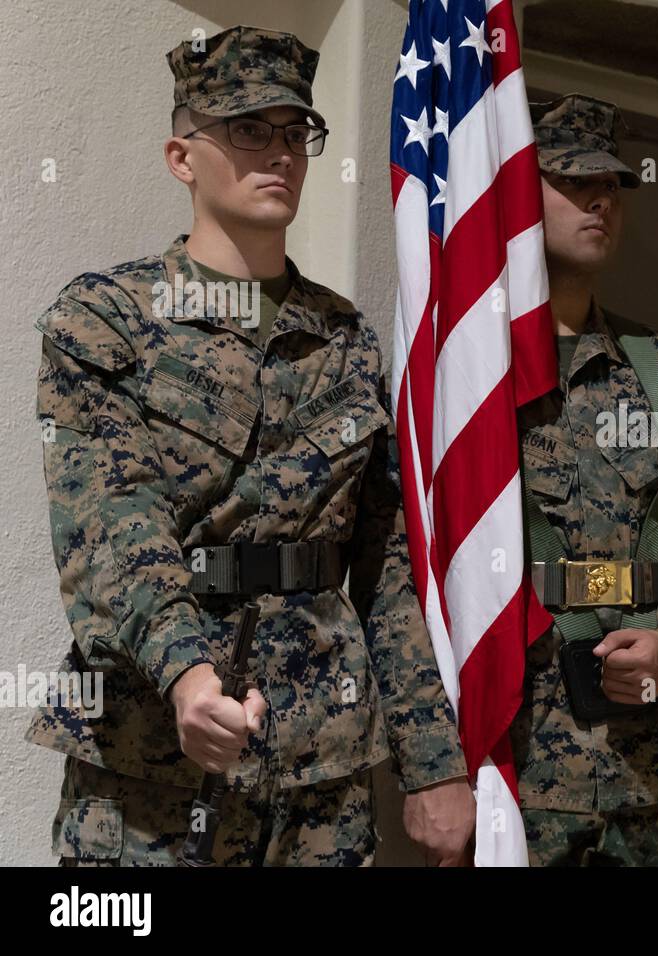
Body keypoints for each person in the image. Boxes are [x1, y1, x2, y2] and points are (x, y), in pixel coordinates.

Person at [30, 25, 465, 866]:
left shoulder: (345, 339)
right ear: (181, 156)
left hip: (319, 767)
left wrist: (432, 763)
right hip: (153, 757)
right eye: (247, 129)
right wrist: (191, 677)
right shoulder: (107, 320)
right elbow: (112, 529)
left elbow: (387, 564)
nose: (280, 154)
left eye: (295, 132)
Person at [420, 93, 658, 866]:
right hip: (518, 776)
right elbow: (416, 586)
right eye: (572, 182)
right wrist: (434, 767)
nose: (599, 200)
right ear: (511, 189)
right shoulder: (463, 385)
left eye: (610, 184)